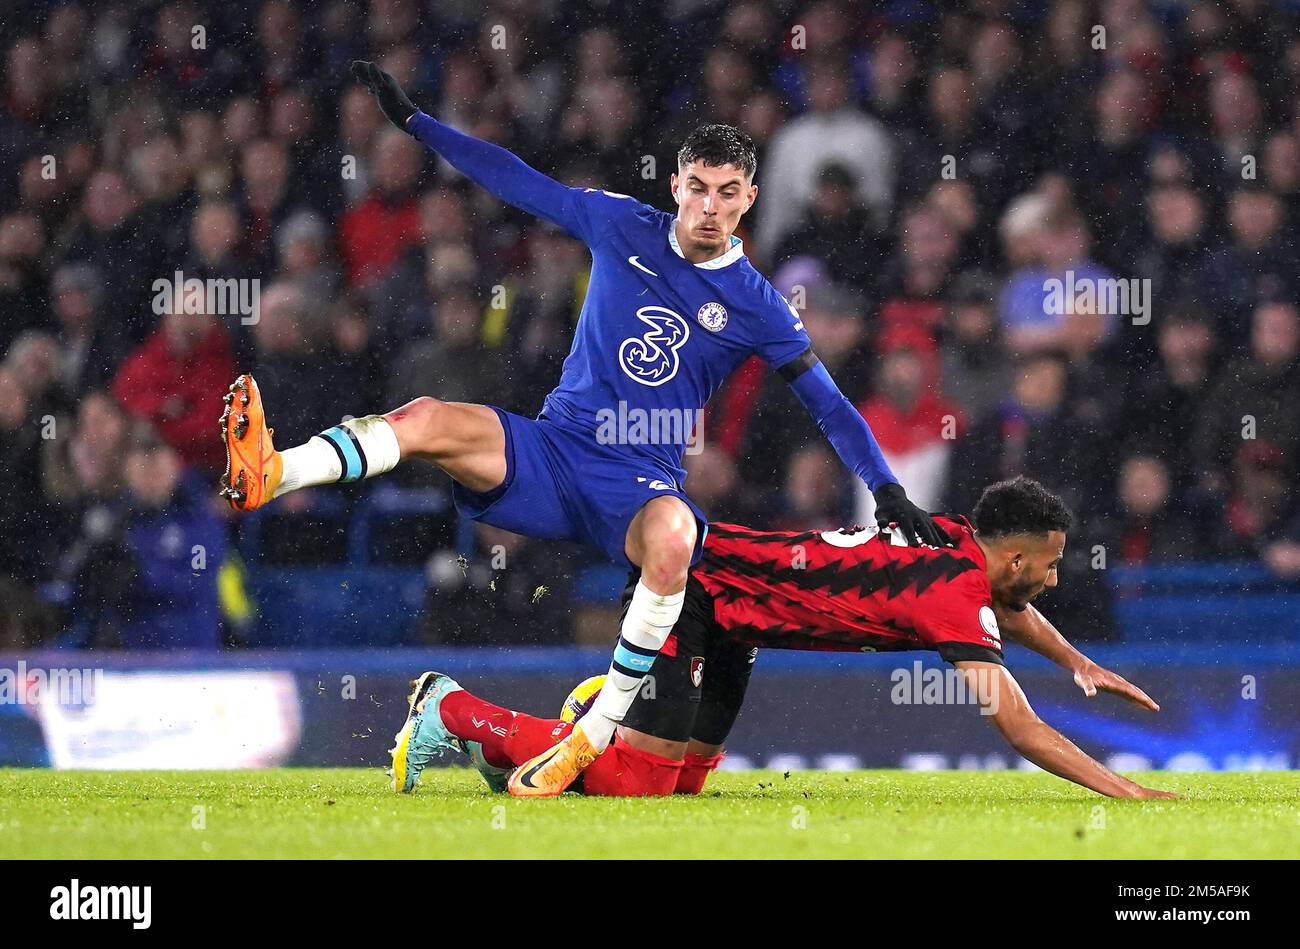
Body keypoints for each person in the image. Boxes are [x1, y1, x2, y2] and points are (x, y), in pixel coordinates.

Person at [217, 61, 945, 797]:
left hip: (635, 484)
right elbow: (514, 177)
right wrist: (416, 123)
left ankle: (588, 736)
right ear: (677, 186)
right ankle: (273, 471)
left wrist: (884, 487)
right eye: (698, 187)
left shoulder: (759, 303)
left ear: (750, 198)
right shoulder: (620, 221)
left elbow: (827, 401)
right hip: (554, 448)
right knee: (428, 416)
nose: (711, 207)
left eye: (729, 193)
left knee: (674, 538)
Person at [392, 477, 1176, 800]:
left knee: (681, 784)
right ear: (1012, 555)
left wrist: (1076, 660)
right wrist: (1125, 790)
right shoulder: (954, 593)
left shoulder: (953, 541)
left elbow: (1010, 607)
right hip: (699, 586)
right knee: (635, 783)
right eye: (1048, 564)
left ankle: (569, 732)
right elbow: (1020, 726)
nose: (1054, 579)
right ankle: (453, 709)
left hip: (740, 617)